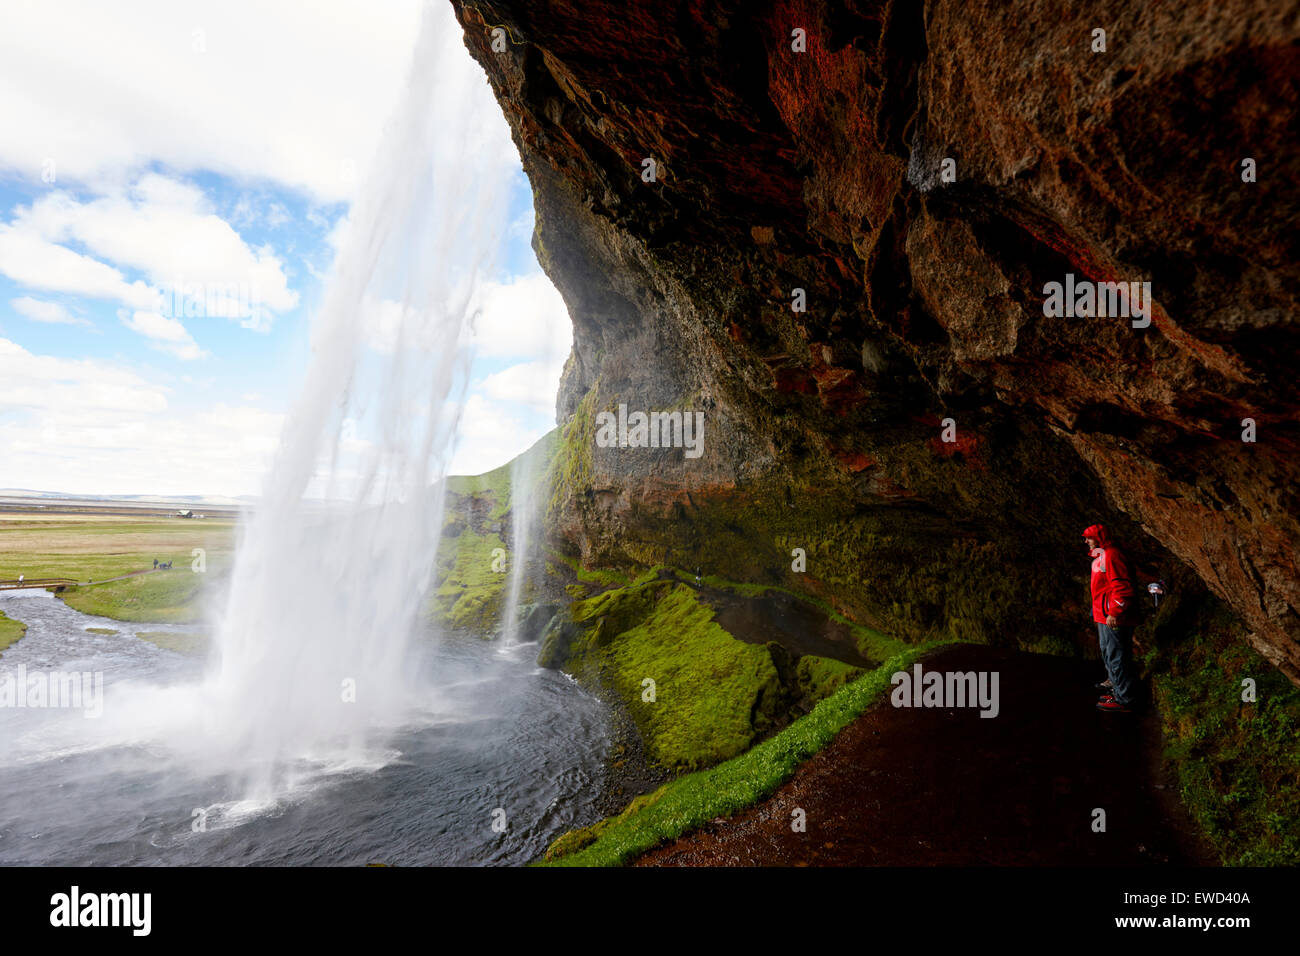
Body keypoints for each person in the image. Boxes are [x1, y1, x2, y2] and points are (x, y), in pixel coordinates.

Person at [1083, 524, 1139, 713]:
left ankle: (1125, 699)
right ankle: (1117, 689)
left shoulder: (1113, 556)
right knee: (1108, 653)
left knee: (1117, 655)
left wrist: (1115, 611)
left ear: (1100, 538)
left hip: (1113, 616)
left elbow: (1122, 587)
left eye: (1089, 538)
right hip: (1103, 615)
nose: (1086, 541)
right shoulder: (1102, 556)